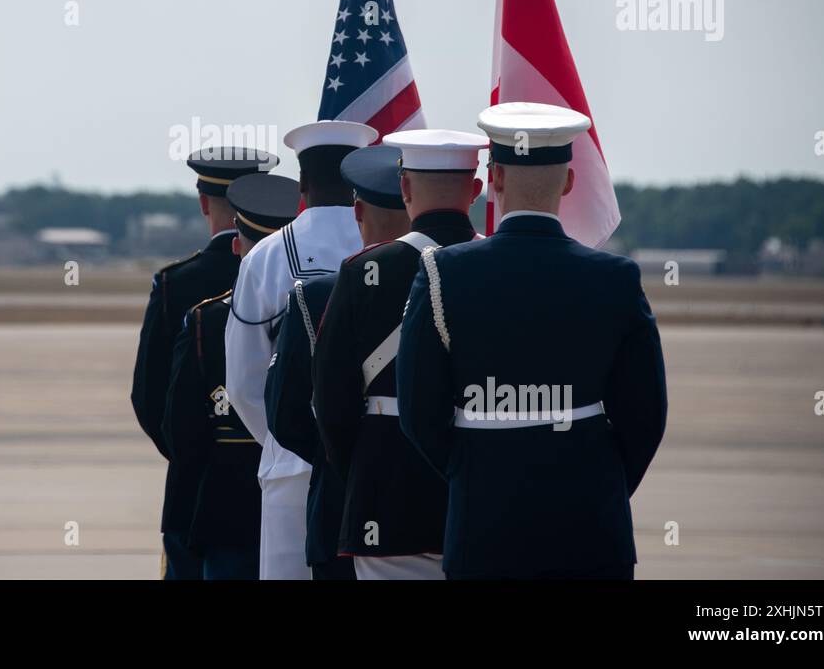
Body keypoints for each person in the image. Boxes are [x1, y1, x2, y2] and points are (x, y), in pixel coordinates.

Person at [396, 102, 668, 580]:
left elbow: (418, 410)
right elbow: (646, 415)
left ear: (495, 178)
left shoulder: (443, 272)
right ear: (567, 181)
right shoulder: (615, 278)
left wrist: (471, 469)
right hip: (590, 530)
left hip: (483, 528)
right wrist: (600, 484)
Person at [312, 129, 486, 579]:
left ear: (404, 188)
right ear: (476, 190)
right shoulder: (501, 267)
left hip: (388, 500)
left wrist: (366, 472)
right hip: (487, 499)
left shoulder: (362, 271)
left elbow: (331, 403)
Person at [225, 120, 374, 580]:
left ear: (302, 184)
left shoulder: (263, 257)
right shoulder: (390, 246)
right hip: (379, 463)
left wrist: (284, 441)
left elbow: (245, 383)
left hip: (292, 468)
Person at [131, 145, 278, 579]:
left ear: (202, 203)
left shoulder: (176, 283)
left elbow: (149, 395)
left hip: (199, 492)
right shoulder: (293, 275)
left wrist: (194, 457)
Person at [266, 144, 412, 579]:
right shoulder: (459, 283)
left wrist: (345, 459)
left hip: (344, 512)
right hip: (436, 513)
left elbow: (286, 414)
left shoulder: (316, 296)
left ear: (358, 212)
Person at [162, 173, 301, 579]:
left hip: (226, 499)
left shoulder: (207, 319)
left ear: (238, 246)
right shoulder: (323, 307)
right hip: (303, 488)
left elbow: (180, 428)